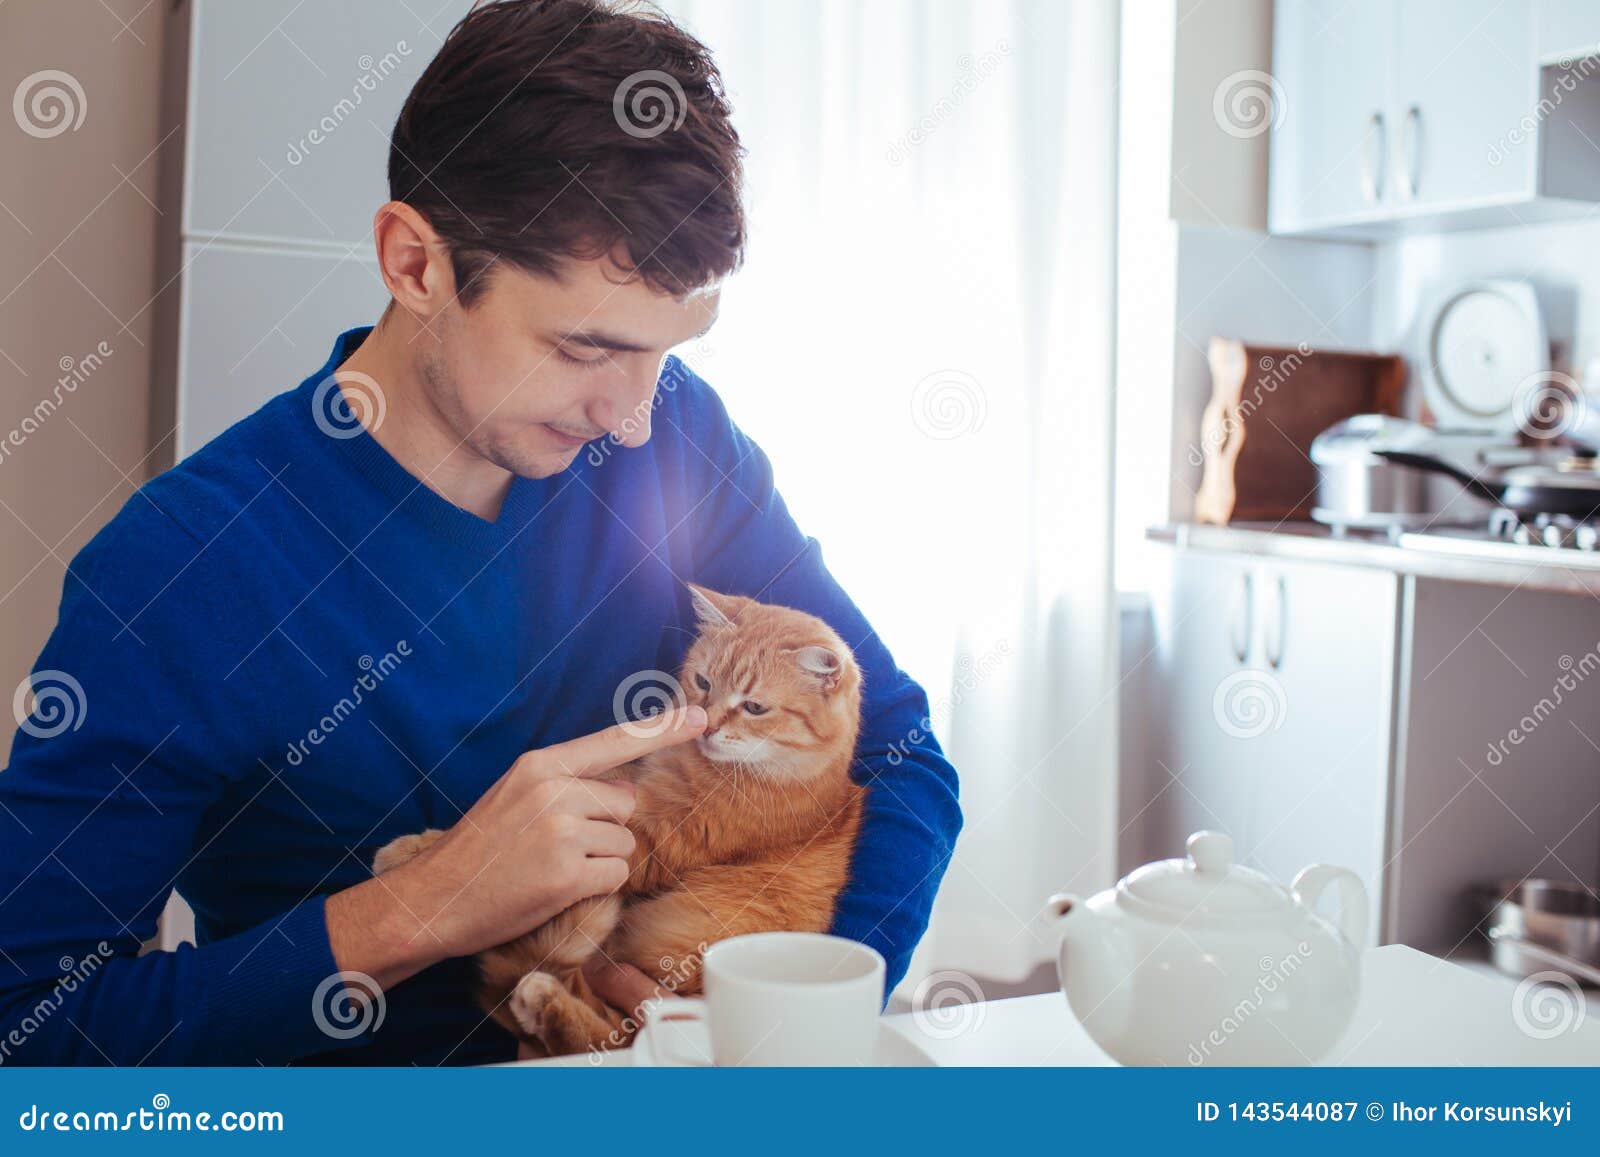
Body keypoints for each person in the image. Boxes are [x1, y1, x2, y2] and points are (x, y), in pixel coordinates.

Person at [0, 0, 961, 1065]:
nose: (631, 413)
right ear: (416, 265)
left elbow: (902, 749)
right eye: (584, 348)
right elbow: (26, 1027)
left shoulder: (676, 434)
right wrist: (429, 906)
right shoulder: (183, 568)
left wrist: (763, 1004)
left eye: (665, 347)